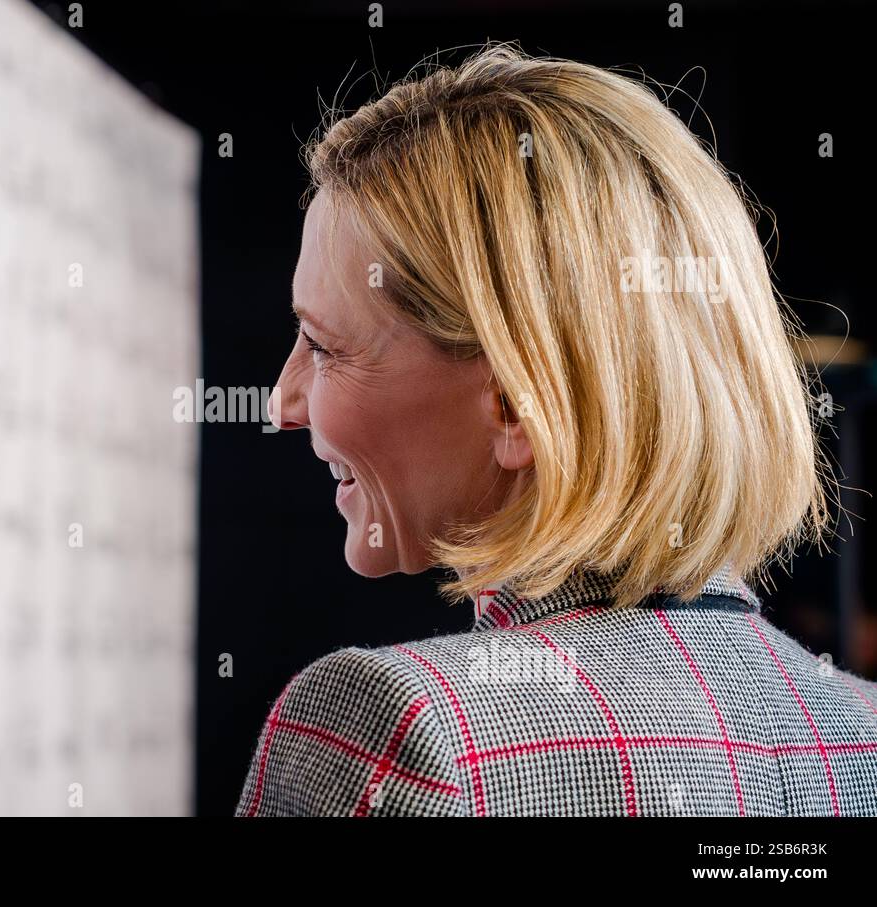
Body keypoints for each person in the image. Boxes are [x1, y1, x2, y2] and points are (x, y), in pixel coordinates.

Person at [237, 45, 877, 816]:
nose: (283, 403)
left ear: (516, 405)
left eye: (325, 346)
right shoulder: (861, 729)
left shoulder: (402, 733)